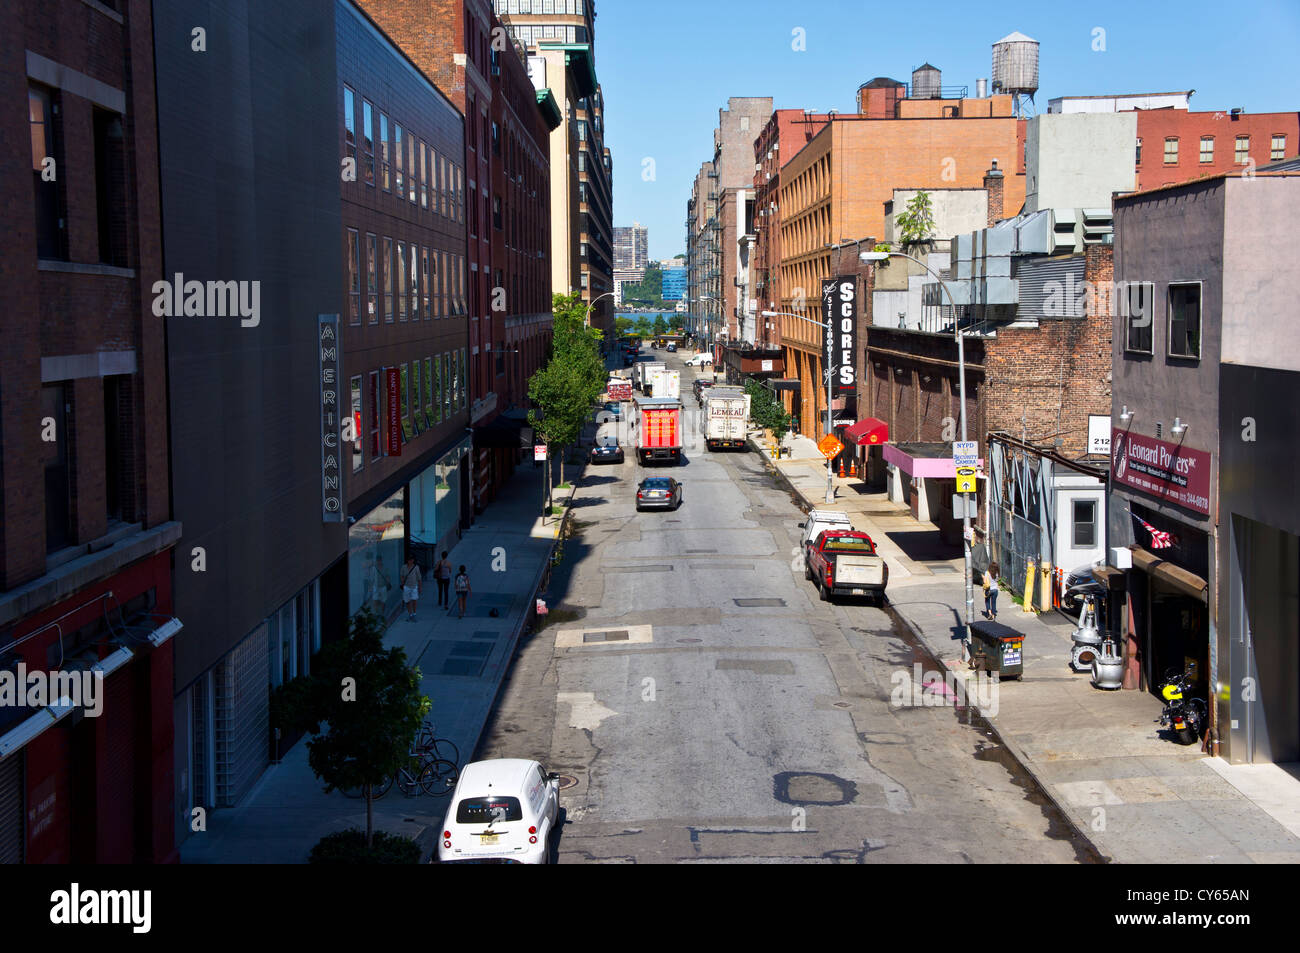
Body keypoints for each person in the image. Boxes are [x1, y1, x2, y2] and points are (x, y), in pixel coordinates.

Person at [401, 554, 422, 622]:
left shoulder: (416, 567)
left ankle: (414, 613)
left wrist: (420, 587)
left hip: (414, 586)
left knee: (414, 600)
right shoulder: (404, 567)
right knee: (407, 601)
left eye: (411, 559)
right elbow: (402, 575)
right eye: (409, 560)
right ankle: (410, 614)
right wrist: (402, 582)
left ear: (413, 560)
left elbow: (419, 578)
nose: (410, 561)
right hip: (406, 586)